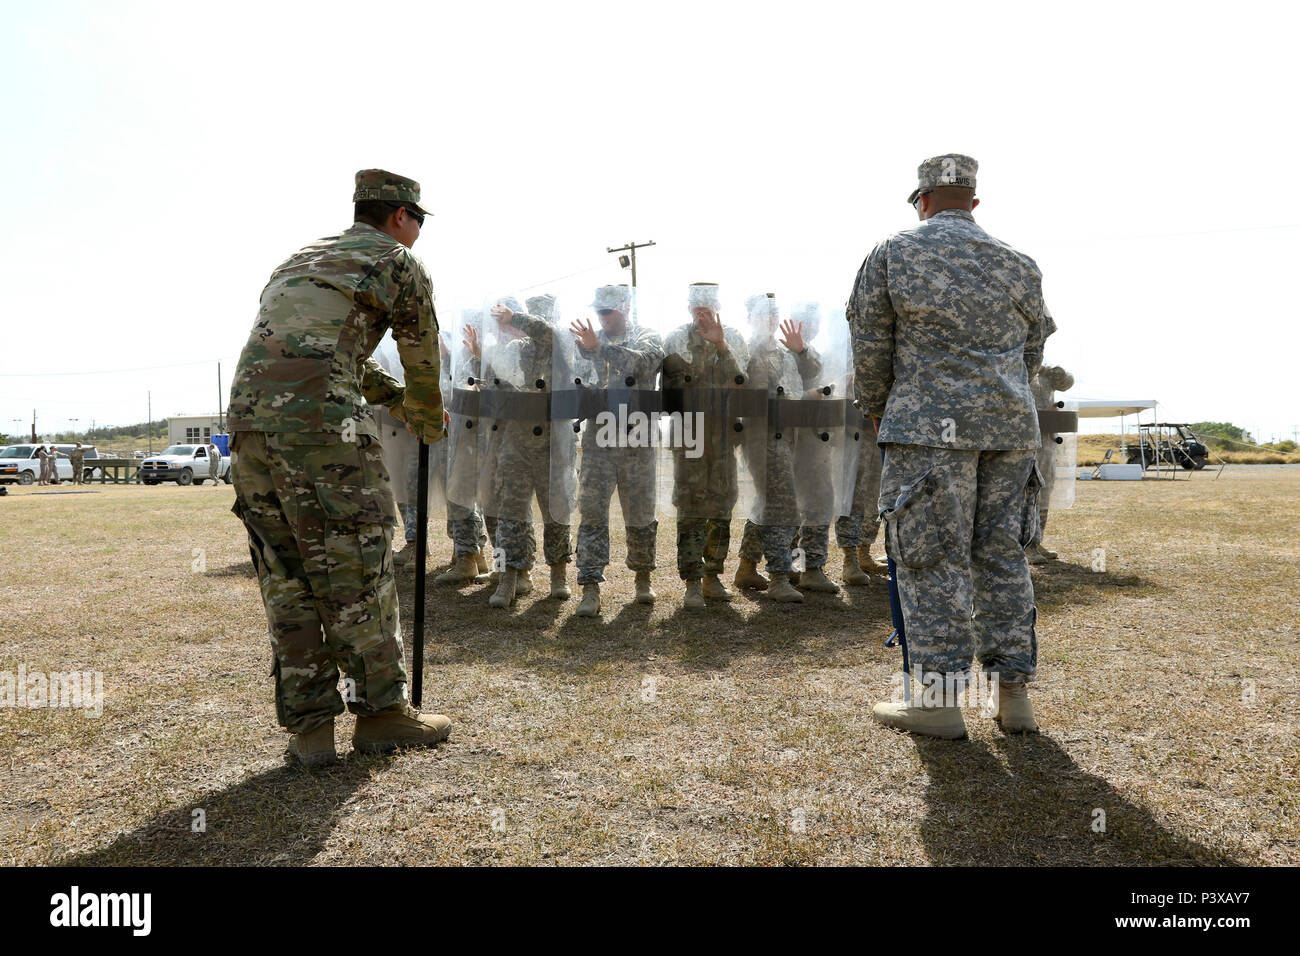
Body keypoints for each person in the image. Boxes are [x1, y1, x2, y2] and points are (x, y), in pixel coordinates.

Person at [226, 169, 451, 767]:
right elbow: (421, 352)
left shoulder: (303, 260)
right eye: (419, 220)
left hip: (250, 426)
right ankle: (381, 715)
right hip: (324, 429)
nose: (419, 232)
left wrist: (393, 399)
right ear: (400, 217)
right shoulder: (396, 261)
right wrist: (426, 413)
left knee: (287, 574)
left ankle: (310, 732)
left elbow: (321, 353)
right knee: (358, 562)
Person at [847, 153, 1047, 739]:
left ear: (923, 199)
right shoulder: (1019, 263)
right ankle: (1014, 697)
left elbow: (869, 340)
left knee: (930, 558)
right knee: (1002, 555)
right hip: (1009, 428)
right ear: (974, 203)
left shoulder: (894, 251)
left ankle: (937, 704)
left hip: (929, 431)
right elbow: (1031, 352)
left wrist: (882, 405)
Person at [570, 284, 664, 617]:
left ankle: (642, 578)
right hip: (599, 440)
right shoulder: (587, 342)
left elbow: (642, 364)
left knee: (640, 512)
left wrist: (602, 349)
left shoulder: (647, 336)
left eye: (607, 311)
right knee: (592, 511)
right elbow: (577, 379)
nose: (602, 317)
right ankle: (590, 587)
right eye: (599, 311)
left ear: (624, 307)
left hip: (637, 439)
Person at [480, 294, 576, 608]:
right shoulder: (512, 350)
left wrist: (516, 318)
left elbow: (547, 333)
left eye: (543, 314)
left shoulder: (562, 343)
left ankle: (558, 574)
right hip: (516, 442)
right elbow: (499, 386)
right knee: (511, 511)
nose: (538, 319)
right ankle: (509, 577)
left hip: (552, 442)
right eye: (532, 313)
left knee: (555, 512)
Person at [661, 283, 752, 610]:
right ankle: (692, 582)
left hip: (724, 435)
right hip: (689, 436)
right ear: (688, 306)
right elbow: (671, 397)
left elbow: (740, 385)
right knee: (690, 504)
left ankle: (713, 576)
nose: (702, 309)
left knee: (722, 503)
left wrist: (722, 347)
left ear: (718, 303)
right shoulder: (674, 340)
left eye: (708, 302)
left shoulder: (736, 338)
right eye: (696, 304)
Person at [735, 293, 818, 602]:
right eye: (762, 314)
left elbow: (810, 371)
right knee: (783, 504)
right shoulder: (747, 350)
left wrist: (801, 351)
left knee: (767, 501)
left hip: (787, 436)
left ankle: (746, 568)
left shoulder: (782, 351)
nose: (769, 319)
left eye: (773, 314)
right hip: (762, 438)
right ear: (750, 317)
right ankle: (780, 576)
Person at [1028, 360, 1074, 563]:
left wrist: (1047, 368)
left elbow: (1067, 382)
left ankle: (1037, 541)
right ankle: (1026, 545)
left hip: (1047, 441)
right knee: (1029, 492)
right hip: (1025, 441)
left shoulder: (1045, 374)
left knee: (1045, 491)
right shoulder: (1017, 368)